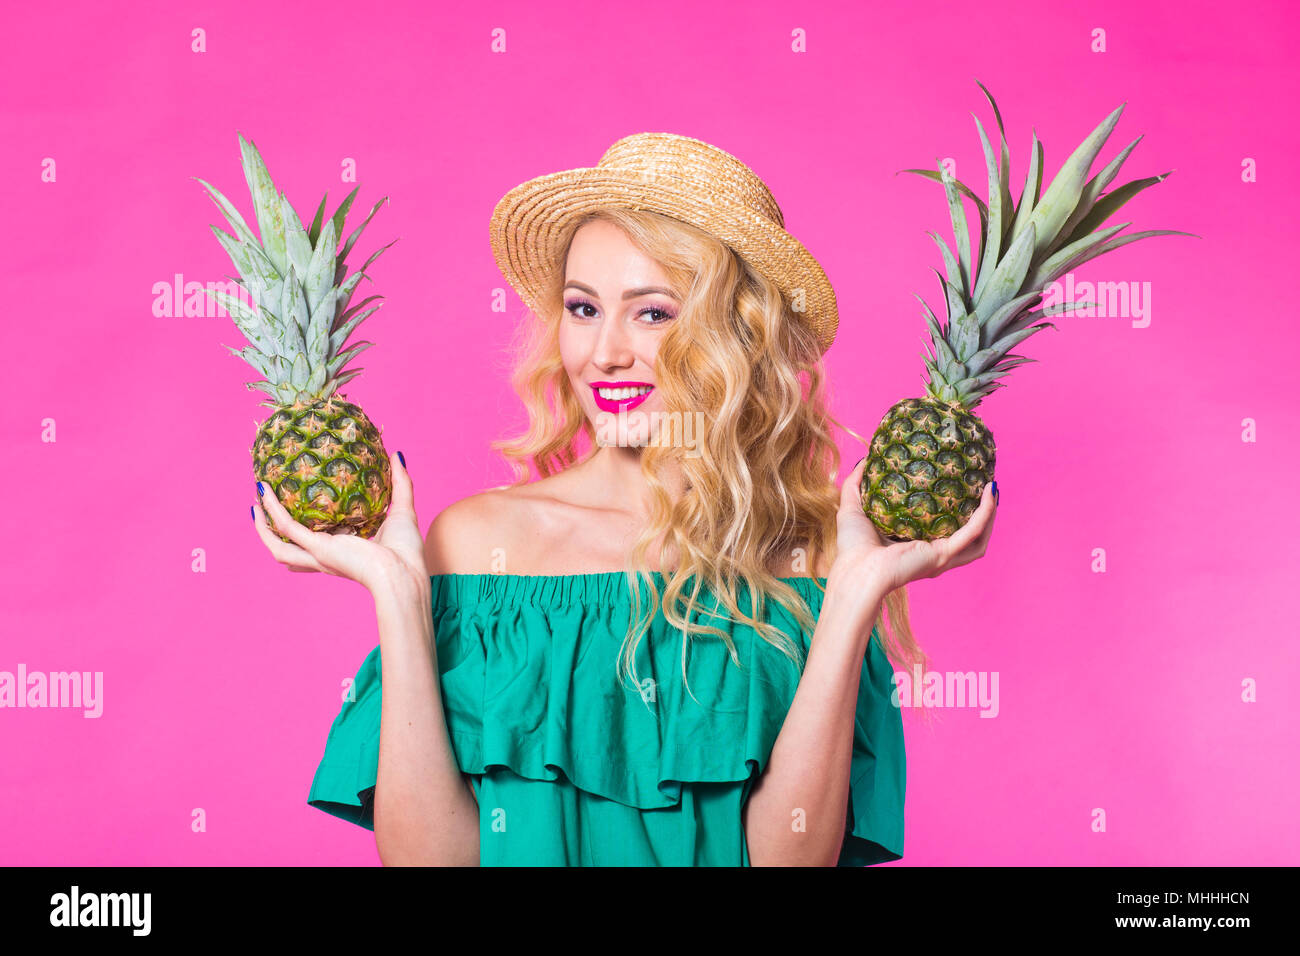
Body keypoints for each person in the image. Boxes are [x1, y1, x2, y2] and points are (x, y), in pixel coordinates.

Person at [253, 132, 997, 866]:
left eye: (652, 312)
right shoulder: (475, 544)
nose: (604, 352)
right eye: (583, 308)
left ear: (739, 335)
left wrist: (855, 593)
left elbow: (787, 861)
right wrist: (397, 592)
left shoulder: (812, 567)